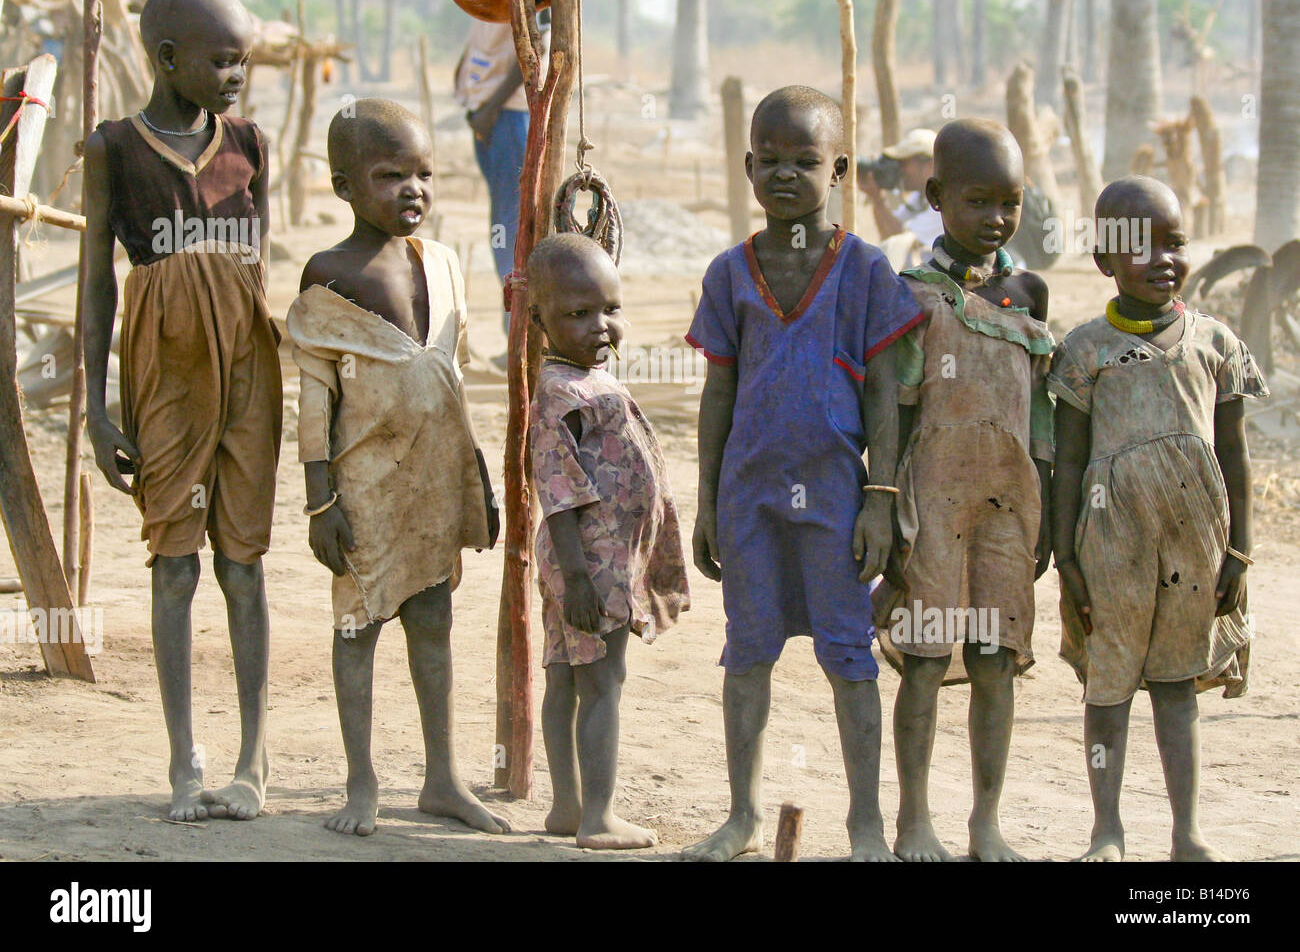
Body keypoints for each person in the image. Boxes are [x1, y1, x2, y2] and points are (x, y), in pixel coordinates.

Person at [685, 86, 923, 862]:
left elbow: (886, 391)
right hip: (748, 496)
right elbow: (719, 391)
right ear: (749, 166)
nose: (786, 174)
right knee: (747, 650)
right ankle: (741, 815)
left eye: (807, 160)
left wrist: (881, 500)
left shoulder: (865, 272)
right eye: (772, 160)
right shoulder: (730, 274)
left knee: (848, 656)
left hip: (834, 496)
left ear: (841, 169)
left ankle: (864, 825)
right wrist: (707, 500)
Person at [83, 0, 280, 823]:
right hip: (165, 376)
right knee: (175, 561)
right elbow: (96, 281)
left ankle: (251, 759)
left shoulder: (250, 143)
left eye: (245, 59)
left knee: (244, 562)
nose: (237, 74)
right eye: (221, 60)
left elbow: (256, 271)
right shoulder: (114, 149)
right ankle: (181, 761)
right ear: (166, 60)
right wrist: (95, 406)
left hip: (246, 377)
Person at [287, 99, 508, 838]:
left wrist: (475, 475)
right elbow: (315, 401)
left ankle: (442, 777)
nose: (413, 189)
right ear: (344, 185)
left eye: (424, 174)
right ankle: (361, 782)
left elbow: (452, 384)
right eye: (390, 175)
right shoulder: (330, 272)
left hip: (433, 481)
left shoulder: (443, 264)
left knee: (433, 618)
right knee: (358, 626)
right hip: (364, 485)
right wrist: (322, 503)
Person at [1049, 176, 1265, 862]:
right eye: (1143, 246)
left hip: (1196, 550)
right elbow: (1068, 464)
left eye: (1176, 242)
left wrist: (1240, 553)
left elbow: (1235, 456)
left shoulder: (1215, 344)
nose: (1165, 259)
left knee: (1176, 686)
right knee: (1108, 691)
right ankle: (1106, 829)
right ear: (1104, 260)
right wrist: (1067, 559)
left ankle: (1186, 832)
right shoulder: (1084, 352)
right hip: (1112, 548)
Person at [877, 118, 1055, 862]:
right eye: (978, 201)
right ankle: (914, 817)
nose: (995, 218)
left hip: (1009, 507)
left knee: (994, 658)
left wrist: (1048, 512)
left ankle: (987, 821)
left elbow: (1041, 418)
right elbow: (890, 408)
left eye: (1009, 203)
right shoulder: (912, 292)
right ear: (937, 198)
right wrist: (884, 503)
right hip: (932, 501)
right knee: (923, 655)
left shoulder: (1029, 290)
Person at [526, 233, 690, 849]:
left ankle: (567, 806)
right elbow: (559, 492)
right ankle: (597, 815)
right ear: (539, 318)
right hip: (590, 561)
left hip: (599, 558)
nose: (600, 325)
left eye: (610, 309)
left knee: (568, 675)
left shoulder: (587, 379)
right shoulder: (559, 394)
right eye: (577, 314)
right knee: (601, 681)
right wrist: (575, 578)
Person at [454, 0, 551, 348]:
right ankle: (516, 330)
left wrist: (490, 109)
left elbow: (534, 47)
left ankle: (518, 334)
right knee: (506, 218)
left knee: (512, 225)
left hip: (507, 115)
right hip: (489, 115)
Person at [861, 127, 943, 271]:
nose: (900, 170)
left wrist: (878, 199)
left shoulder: (941, 200)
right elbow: (888, 236)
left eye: (904, 164)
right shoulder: (919, 197)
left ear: (929, 166)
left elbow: (899, 239)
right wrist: (876, 197)